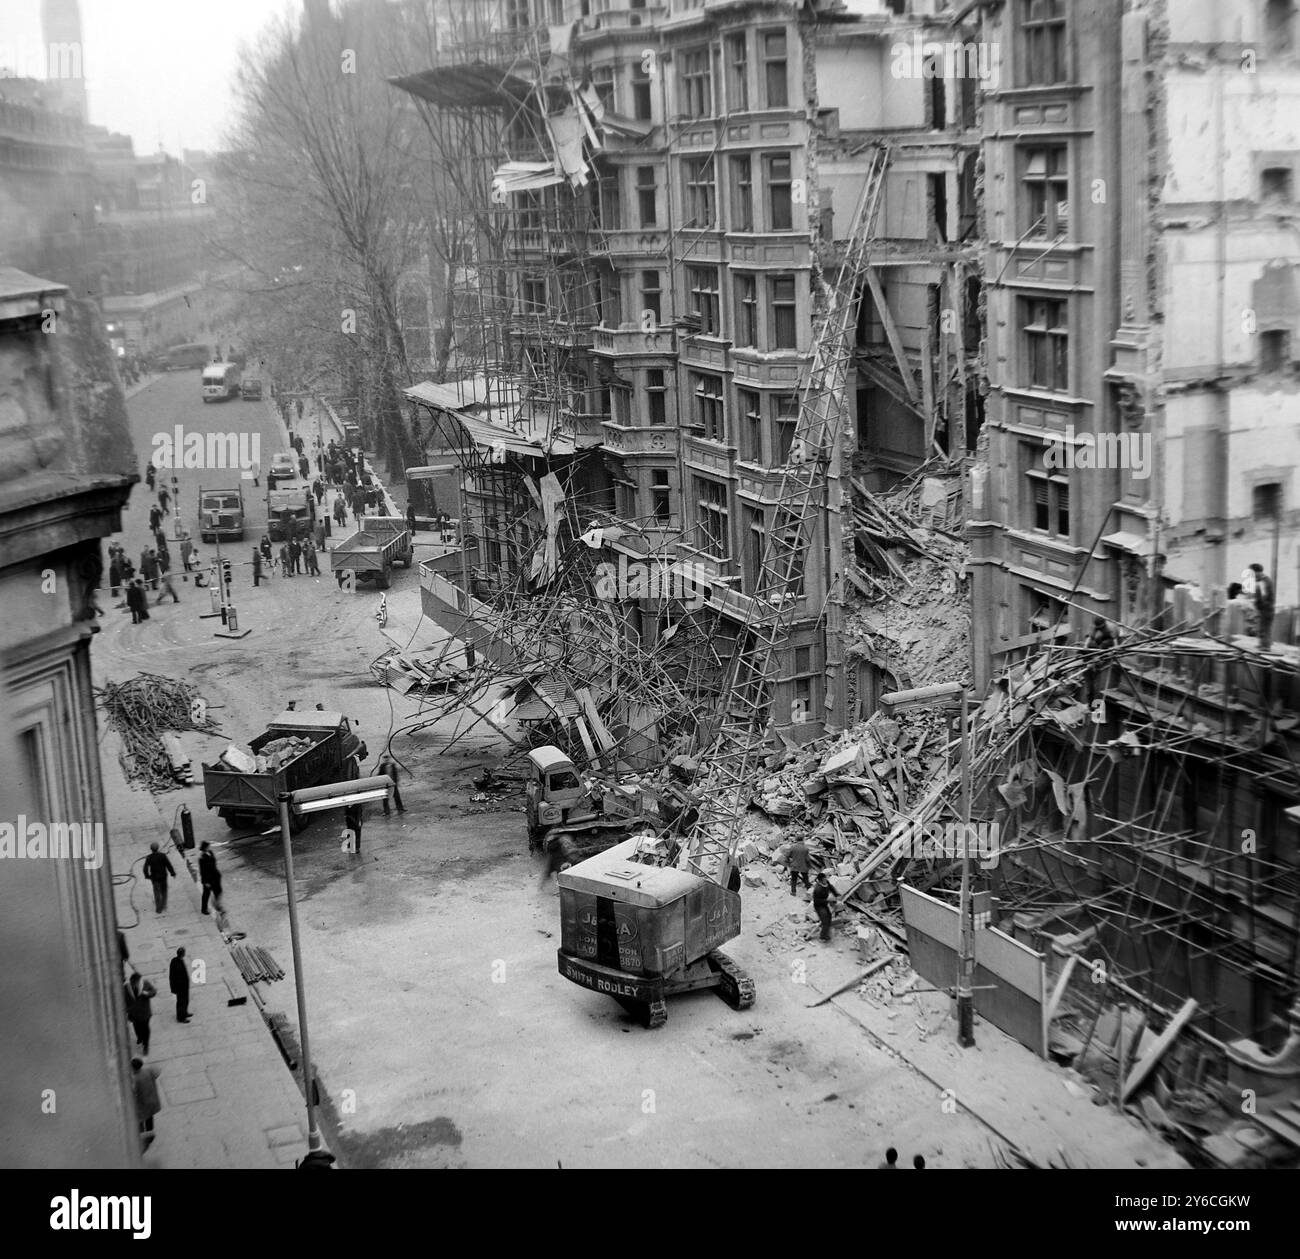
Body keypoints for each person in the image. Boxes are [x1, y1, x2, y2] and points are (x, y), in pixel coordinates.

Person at [132, 1057, 162, 1148]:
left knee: (140, 1120)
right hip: (152, 1100)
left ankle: (142, 1138)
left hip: (142, 1104)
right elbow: (157, 1071)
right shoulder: (147, 1071)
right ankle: (150, 1136)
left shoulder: (136, 1079)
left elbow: (133, 1092)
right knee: (149, 1119)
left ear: (134, 1068)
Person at [124, 972, 157, 1054]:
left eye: (138, 983)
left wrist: (147, 993)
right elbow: (123, 1001)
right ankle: (139, 1037)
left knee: (145, 1029)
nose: (137, 985)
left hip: (145, 1013)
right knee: (136, 1027)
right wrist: (128, 1010)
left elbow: (153, 991)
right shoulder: (126, 988)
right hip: (134, 1014)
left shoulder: (145, 984)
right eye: (135, 983)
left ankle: (146, 1046)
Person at [142, 840, 175, 913]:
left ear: (151, 849)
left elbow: (145, 868)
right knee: (164, 892)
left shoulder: (149, 857)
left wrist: (147, 876)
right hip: (163, 877)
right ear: (158, 848)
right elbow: (168, 865)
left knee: (156, 893)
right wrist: (172, 873)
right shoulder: (162, 856)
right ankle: (163, 905)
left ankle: (158, 909)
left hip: (154, 878)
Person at [1250, 563, 1275, 651]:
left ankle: (1266, 646)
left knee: (1265, 628)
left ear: (1257, 572)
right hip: (1263, 608)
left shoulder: (1264, 581)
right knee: (1261, 627)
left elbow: (1264, 596)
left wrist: (1258, 604)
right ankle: (1262, 644)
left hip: (1266, 609)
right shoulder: (1261, 581)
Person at [199, 841, 224, 915]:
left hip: (215, 876)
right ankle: (204, 909)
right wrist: (205, 882)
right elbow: (202, 871)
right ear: (204, 848)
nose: (209, 847)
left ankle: (217, 905)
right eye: (208, 846)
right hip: (208, 879)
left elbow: (214, 863)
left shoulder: (210, 852)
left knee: (218, 891)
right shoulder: (202, 858)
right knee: (206, 894)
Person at [812, 870, 837, 941]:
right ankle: (823, 936)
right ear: (820, 881)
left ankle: (826, 930)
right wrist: (828, 901)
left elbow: (831, 887)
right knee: (825, 920)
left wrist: (836, 894)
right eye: (824, 879)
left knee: (829, 917)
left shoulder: (826, 883)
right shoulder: (818, 889)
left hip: (824, 903)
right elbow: (817, 901)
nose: (826, 880)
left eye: (826, 878)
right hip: (819, 906)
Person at [169, 947, 191, 1022]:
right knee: (182, 1002)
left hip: (183, 987)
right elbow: (178, 978)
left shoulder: (175, 960)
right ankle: (181, 1018)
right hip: (181, 988)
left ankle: (184, 1013)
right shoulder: (178, 965)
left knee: (185, 1001)